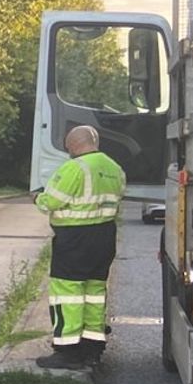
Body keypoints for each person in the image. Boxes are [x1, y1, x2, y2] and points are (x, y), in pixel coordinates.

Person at [34, 124, 125, 369]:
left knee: (67, 293)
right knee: (94, 292)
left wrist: (38, 198)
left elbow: (51, 201)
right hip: (104, 236)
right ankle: (92, 349)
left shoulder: (75, 168)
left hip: (74, 239)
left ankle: (67, 350)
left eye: (67, 146)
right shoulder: (114, 168)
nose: (67, 150)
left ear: (74, 144)